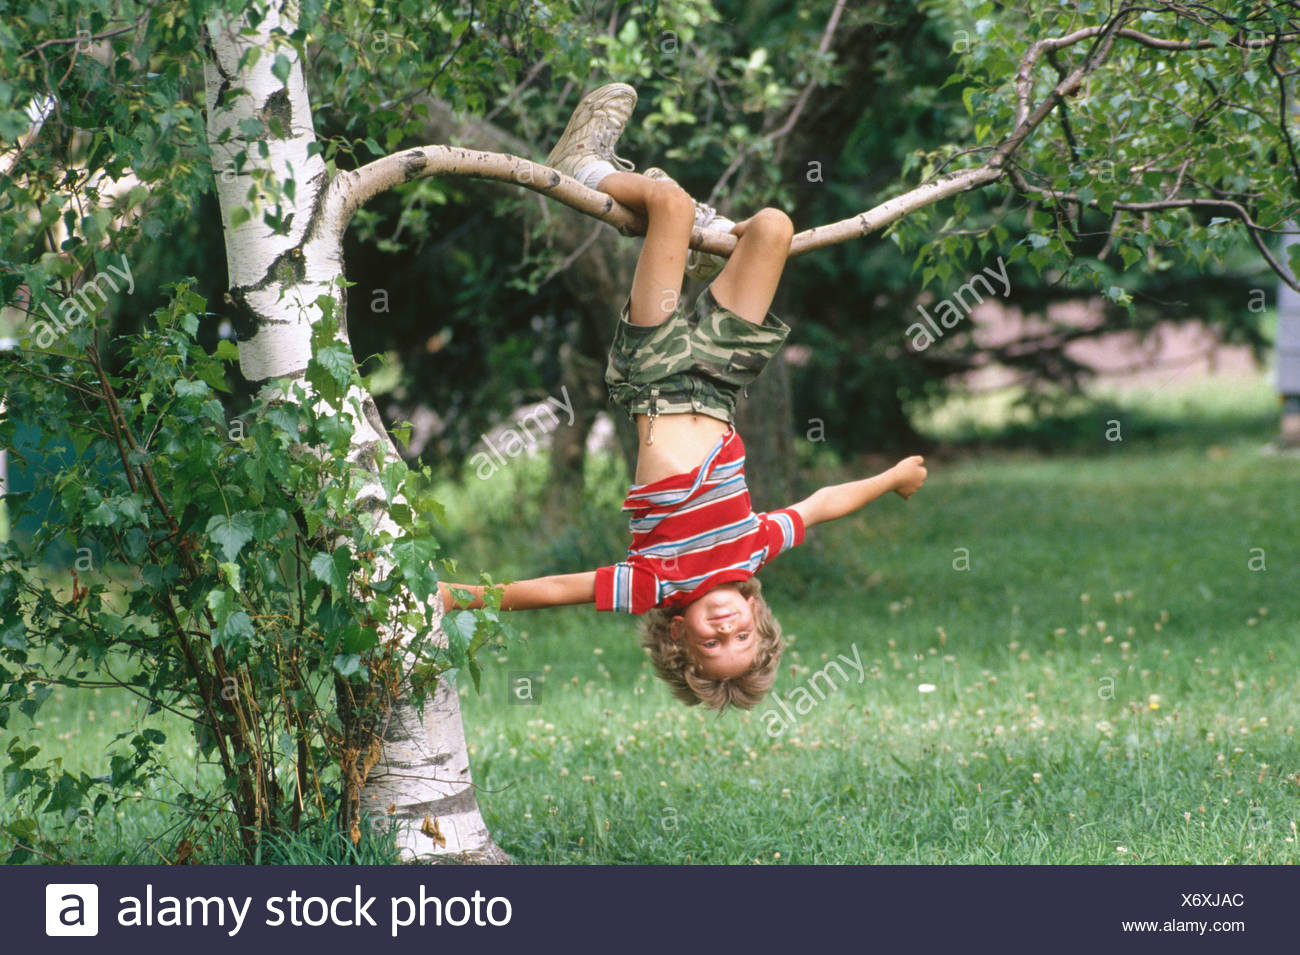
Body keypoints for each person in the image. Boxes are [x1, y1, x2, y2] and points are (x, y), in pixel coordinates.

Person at [439, 83, 928, 710]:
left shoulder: (652, 584)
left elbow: (558, 588)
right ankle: (709, 240)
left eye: (713, 643)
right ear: (756, 610)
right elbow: (824, 504)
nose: (726, 630)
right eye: (742, 635)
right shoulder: (754, 546)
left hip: (655, 376)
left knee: (667, 204)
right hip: (721, 384)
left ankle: (585, 167)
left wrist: (460, 596)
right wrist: (892, 478)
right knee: (775, 227)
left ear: (678, 635)